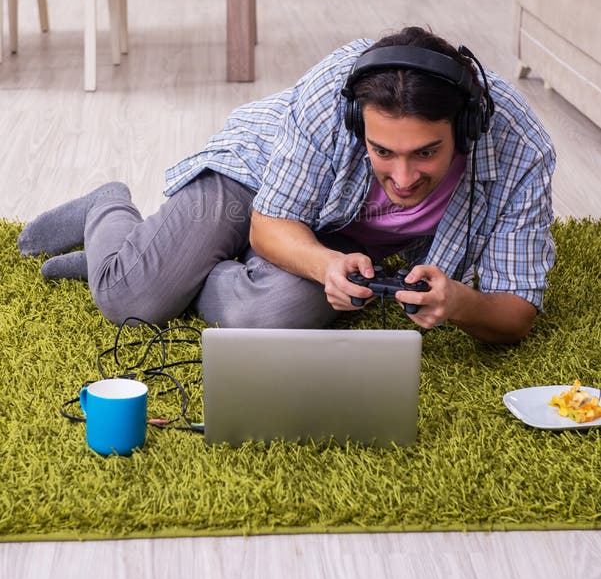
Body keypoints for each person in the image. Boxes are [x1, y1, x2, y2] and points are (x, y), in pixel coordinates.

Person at [17, 26, 556, 343]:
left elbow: (516, 311)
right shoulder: (333, 94)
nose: (403, 178)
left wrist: (460, 302)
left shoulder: (519, 148)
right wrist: (321, 265)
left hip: (340, 236)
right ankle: (110, 210)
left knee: (270, 316)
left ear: (465, 127)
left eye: (426, 153)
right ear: (358, 124)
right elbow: (270, 223)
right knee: (129, 298)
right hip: (254, 178)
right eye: (382, 152)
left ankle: (161, 258)